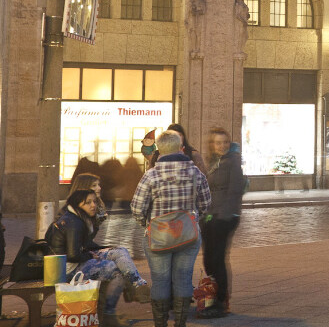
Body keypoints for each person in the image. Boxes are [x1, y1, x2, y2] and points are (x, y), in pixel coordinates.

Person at [132, 130, 212, 327]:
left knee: (160, 280)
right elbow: (206, 204)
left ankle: (160, 323)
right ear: (181, 148)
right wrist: (192, 218)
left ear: (159, 150)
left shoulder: (151, 175)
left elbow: (136, 208)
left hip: (157, 236)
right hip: (188, 235)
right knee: (184, 278)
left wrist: (147, 224)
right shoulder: (196, 173)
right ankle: (181, 323)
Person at [46, 189, 151, 327]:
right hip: (67, 269)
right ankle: (109, 313)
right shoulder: (73, 222)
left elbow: (86, 245)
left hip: (74, 262)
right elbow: (73, 255)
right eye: (88, 203)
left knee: (120, 251)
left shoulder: (78, 218)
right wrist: (90, 255)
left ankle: (139, 285)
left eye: (94, 201)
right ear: (78, 205)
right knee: (117, 271)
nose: (93, 205)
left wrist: (105, 248)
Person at [198, 128, 245, 319]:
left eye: (225, 142)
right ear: (212, 145)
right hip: (209, 217)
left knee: (217, 259)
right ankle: (214, 296)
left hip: (224, 218)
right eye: (218, 143)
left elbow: (235, 191)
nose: (222, 146)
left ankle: (221, 300)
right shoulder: (212, 162)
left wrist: (222, 216)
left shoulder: (232, 163)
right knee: (209, 259)